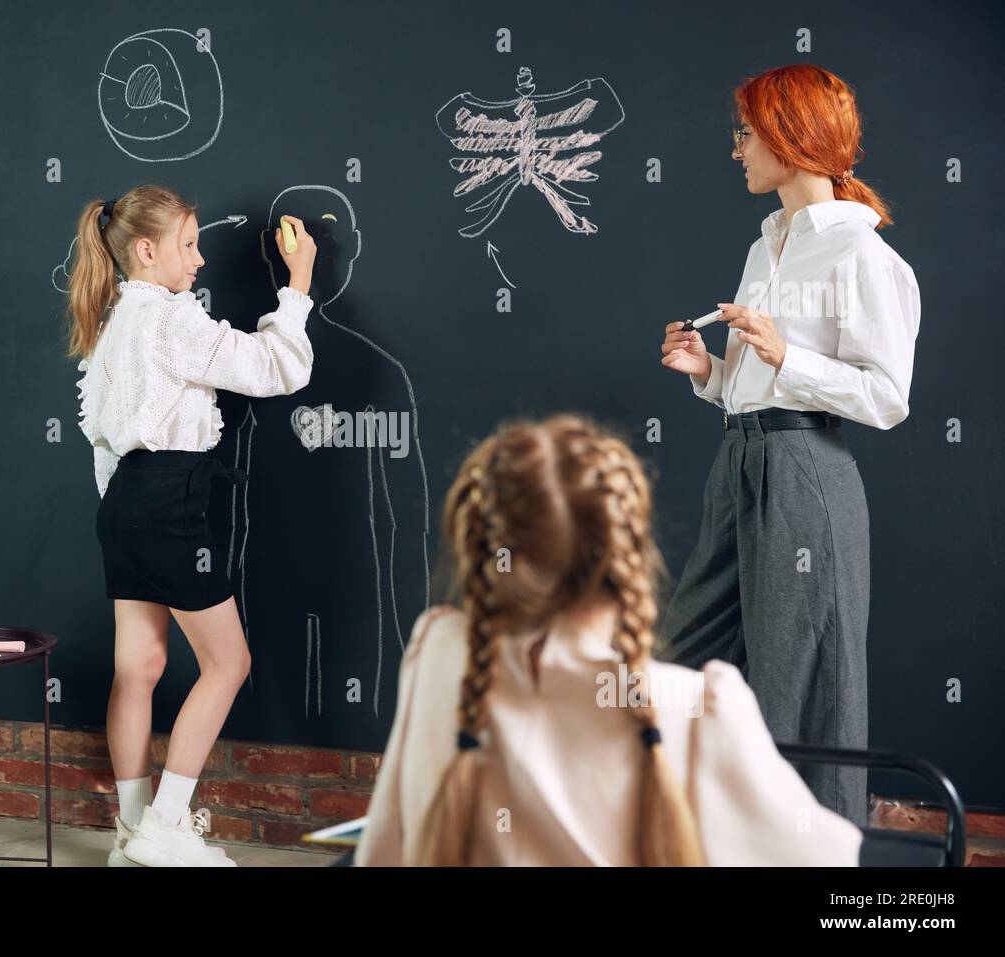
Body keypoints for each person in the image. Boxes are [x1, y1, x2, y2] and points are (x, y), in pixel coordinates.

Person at [354, 414, 863, 866]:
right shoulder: (699, 709)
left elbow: (381, 855)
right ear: (630, 553)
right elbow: (826, 860)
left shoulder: (437, 653)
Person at [657, 64, 920, 828]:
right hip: (739, 462)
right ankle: (700, 835)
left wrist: (784, 357)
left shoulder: (863, 256)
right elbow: (756, 378)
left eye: (745, 134)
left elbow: (887, 396)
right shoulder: (765, 246)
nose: (736, 149)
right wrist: (710, 371)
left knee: (802, 685)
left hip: (806, 474)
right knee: (685, 661)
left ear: (790, 138)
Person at [66, 185, 317, 866]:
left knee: (138, 668)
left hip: (120, 506)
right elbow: (275, 368)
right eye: (188, 244)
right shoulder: (171, 319)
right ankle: (165, 826)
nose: (199, 259)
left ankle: (129, 832)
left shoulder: (113, 321)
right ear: (147, 251)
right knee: (228, 661)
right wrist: (297, 286)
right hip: (167, 503)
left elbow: (102, 446)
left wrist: (130, 511)